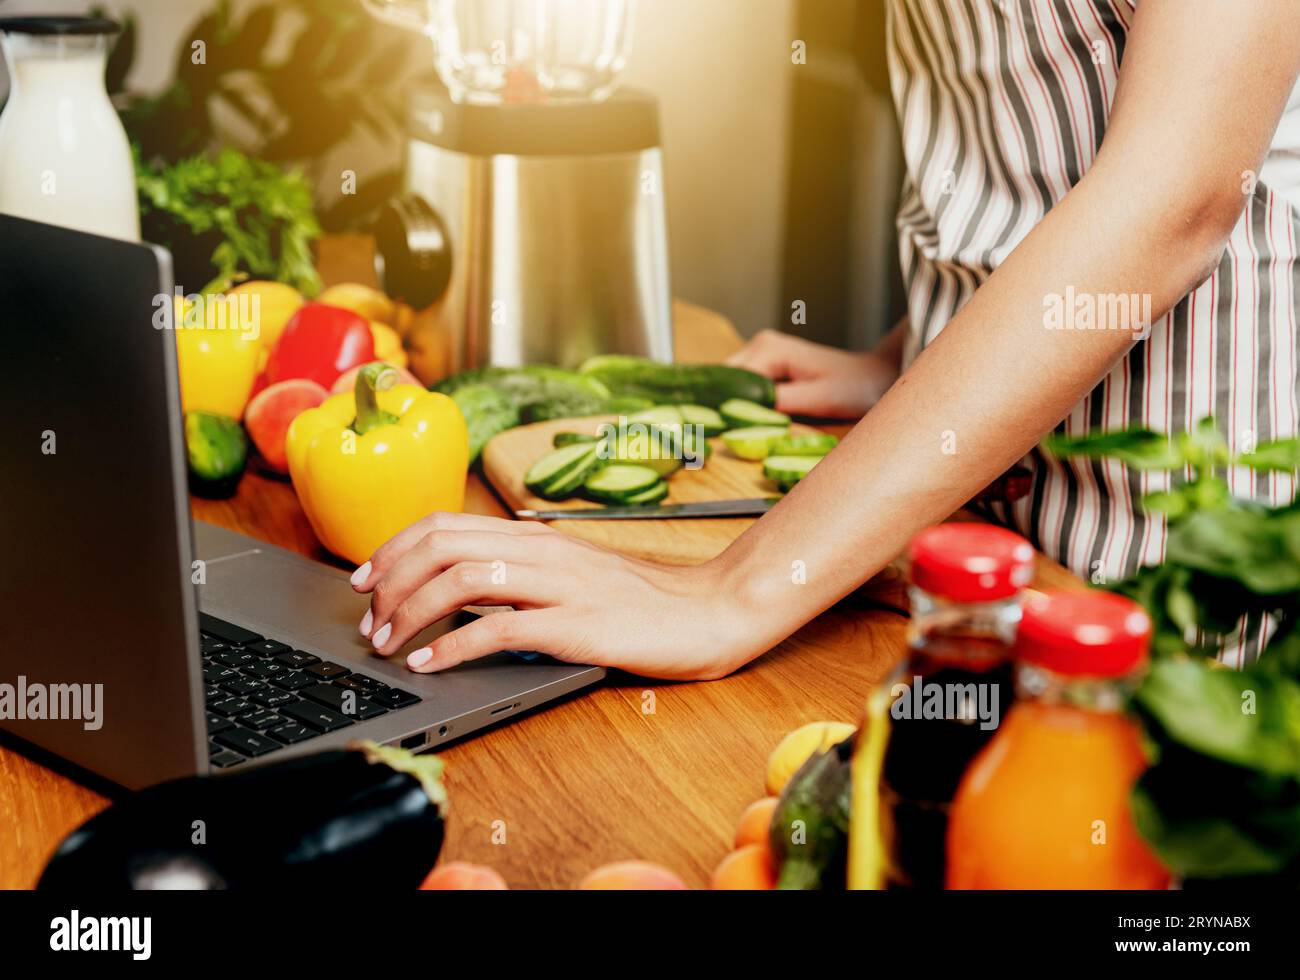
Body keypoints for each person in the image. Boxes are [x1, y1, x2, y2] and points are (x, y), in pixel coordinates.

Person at [353, 0, 1300, 678]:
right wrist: (909, 353)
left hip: (1178, 558)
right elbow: (1041, 131)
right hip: (970, 541)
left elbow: (1177, 191)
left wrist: (731, 592)